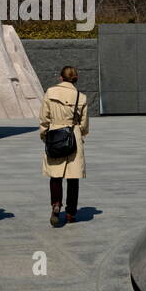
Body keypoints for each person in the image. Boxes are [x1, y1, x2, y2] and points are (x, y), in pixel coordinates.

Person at [39, 66, 90, 227]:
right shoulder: (80, 97)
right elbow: (84, 124)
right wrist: (77, 132)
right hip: (72, 134)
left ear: (61, 78)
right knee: (73, 177)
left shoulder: (50, 92)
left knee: (55, 175)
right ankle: (71, 212)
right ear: (75, 79)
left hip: (55, 132)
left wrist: (45, 134)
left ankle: (56, 204)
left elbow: (44, 117)